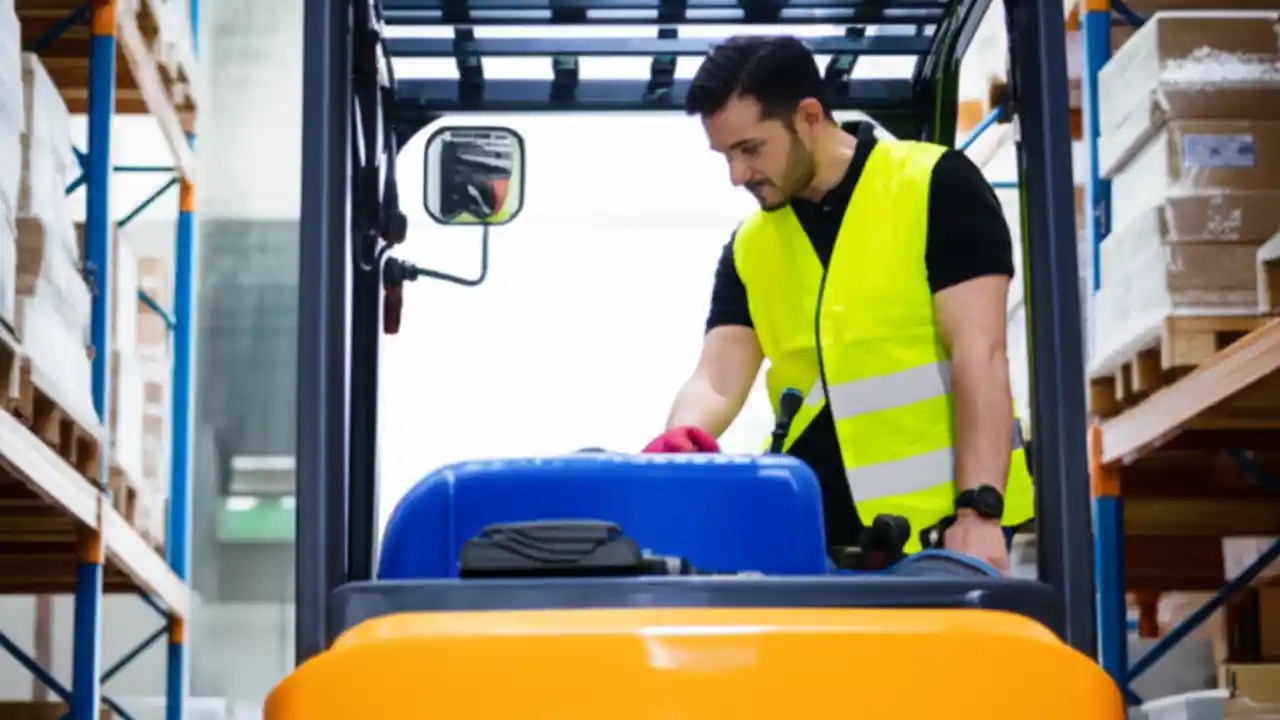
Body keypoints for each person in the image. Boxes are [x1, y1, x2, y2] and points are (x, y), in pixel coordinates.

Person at [640, 35, 1035, 575]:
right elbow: (716, 378)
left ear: (807, 116)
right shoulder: (751, 245)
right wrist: (681, 437)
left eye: (750, 149)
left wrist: (979, 510)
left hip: (937, 535)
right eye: (725, 155)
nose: (737, 175)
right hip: (807, 536)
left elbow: (981, 354)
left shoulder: (934, 185)